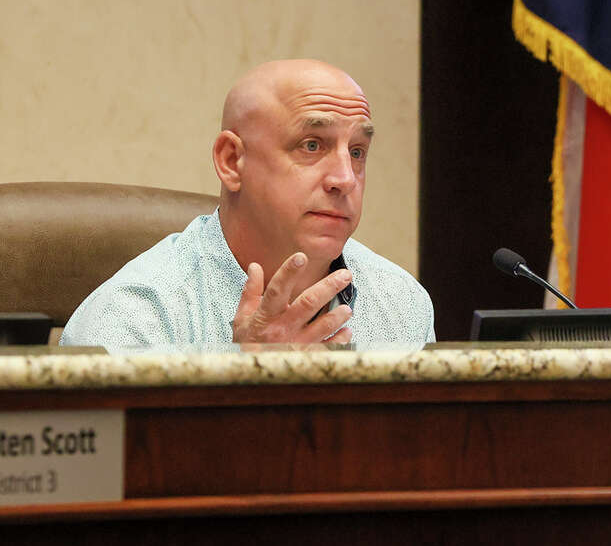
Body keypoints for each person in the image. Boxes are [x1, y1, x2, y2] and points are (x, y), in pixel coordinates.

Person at [60, 59, 435, 346]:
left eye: (356, 152)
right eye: (311, 145)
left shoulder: (402, 303)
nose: (345, 179)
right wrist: (243, 383)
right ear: (231, 161)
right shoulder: (130, 319)